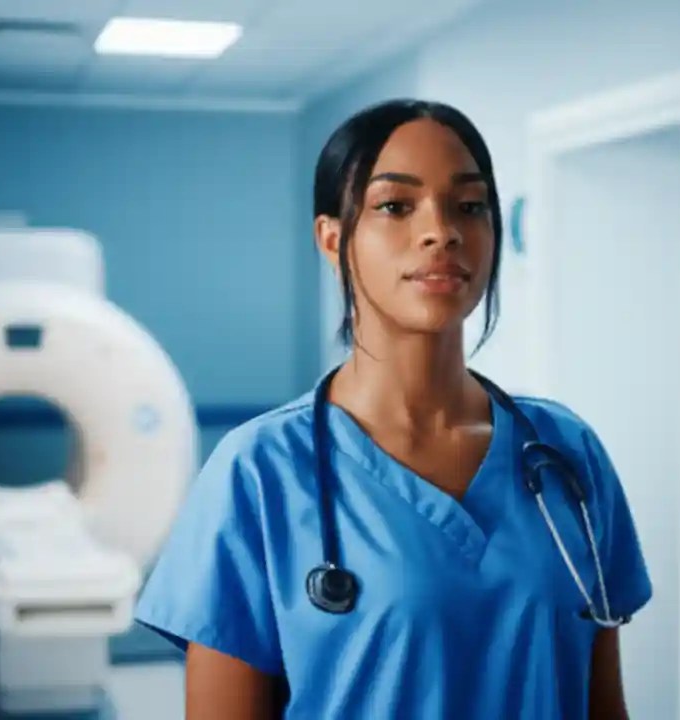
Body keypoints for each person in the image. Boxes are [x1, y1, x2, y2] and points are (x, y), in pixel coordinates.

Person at [133, 98, 653, 719]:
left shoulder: (567, 453)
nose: (442, 231)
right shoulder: (259, 472)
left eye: (469, 206)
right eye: (395, 206)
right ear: (332, 238)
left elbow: (604, 706)